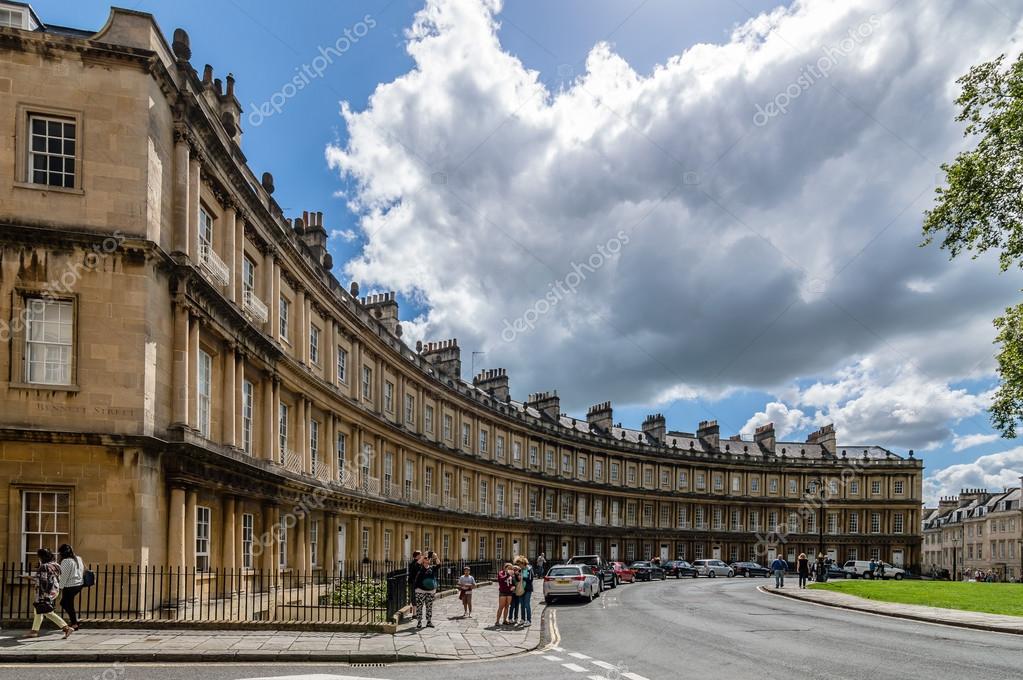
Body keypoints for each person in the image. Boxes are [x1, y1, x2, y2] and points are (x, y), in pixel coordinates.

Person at [22, 548, 73, 639]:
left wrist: (43, 595)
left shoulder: (44, 566)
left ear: (42, 557)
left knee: (45, 610)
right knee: (39, 610)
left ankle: (66, 628)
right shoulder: (56, 565)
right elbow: (56, 578)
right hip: (55, 590)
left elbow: (43, 581)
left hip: (45, 592)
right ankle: (34, 631)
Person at [56, 544, 85, 631]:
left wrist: (59, 588)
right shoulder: (78, 558)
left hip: (70, 586)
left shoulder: (66, 561)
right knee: (68, 603)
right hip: (78, 584)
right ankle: (74, 622)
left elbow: (64, 576)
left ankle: (74, 623)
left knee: (65, 603)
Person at [413, 552, 438, 630]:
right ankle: (419, 621)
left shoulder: (432, 568)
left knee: (429, 606)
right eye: (426, 559)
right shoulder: (419, 568)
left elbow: (439, 565)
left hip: (430, 591)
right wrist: (423, 556)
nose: (428, 559)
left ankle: (429, 621)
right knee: (419, 606)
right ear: (423, 560)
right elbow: (416, 564)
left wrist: (436, 557)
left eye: (429, 558)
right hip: (420, 590)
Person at [515, 555, 534, 625]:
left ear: (523, 563)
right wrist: (517, 575)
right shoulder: (520, 570)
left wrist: (522, 577)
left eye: (519, 564)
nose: (519, 566)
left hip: (528, 589)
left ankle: (529, 620)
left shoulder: (529, 569)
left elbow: (530, 579)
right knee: (522, 605)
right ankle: (523, 619)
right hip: (521, 589)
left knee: (527, 604)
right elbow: (517, 580)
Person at [407, 550, 422, 617]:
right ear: (417, 556)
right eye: (420, 555)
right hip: (413, 582)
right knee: (414, 597)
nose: (421, 556)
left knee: (414, 596)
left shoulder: (414, 563)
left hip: (415, 582)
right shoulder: (414, 563)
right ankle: (414, 614)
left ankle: (412, 610)